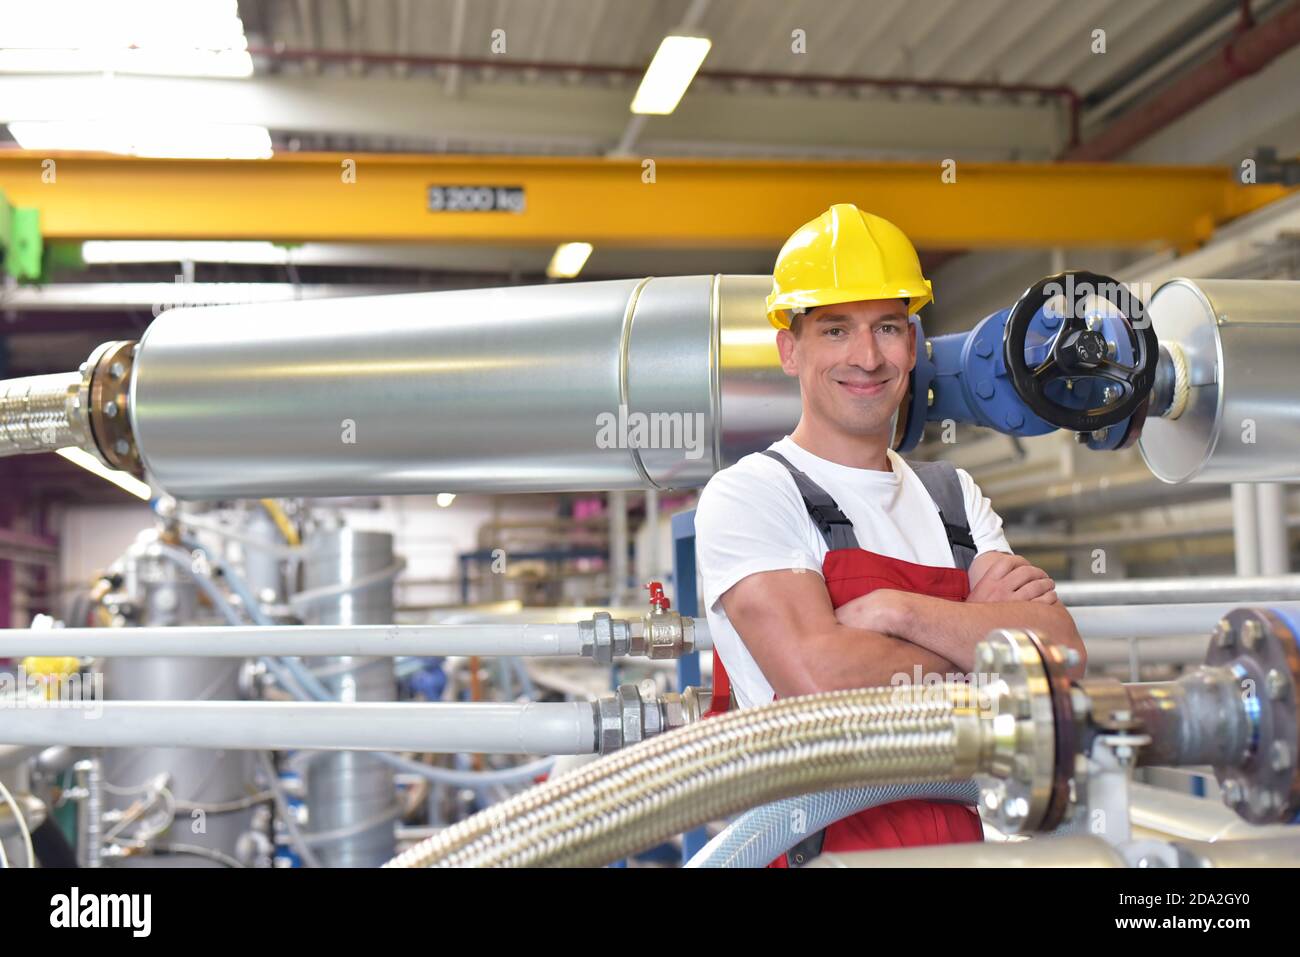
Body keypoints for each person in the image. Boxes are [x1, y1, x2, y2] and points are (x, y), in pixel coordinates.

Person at [694, 203, 1085, 865]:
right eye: (835, 329)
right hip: (817, 849)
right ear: (791, 348)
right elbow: (821, 684)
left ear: (913, 344)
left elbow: (1063, 655)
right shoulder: (752, 493)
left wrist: (896, 612)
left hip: (960, 852)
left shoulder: (952, 496)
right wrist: (977, 636)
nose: (867, 356)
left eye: (888, 327)